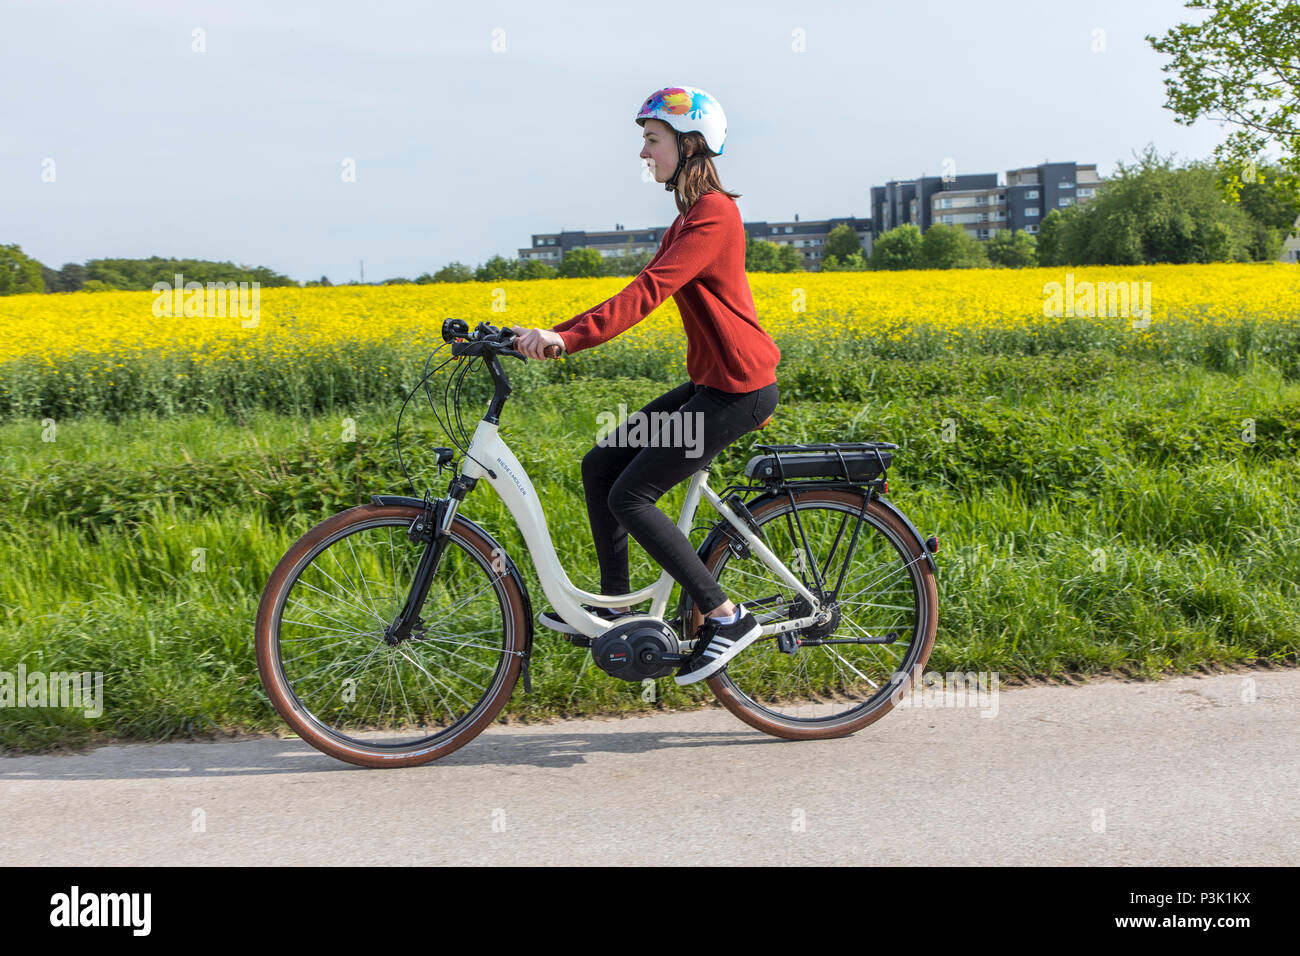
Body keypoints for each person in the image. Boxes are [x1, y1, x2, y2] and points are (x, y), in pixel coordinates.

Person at [511, 85, 780, 686]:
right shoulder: (689, 216)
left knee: (630, 495)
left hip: (738, 392)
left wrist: (563, 339)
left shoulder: (713, 215)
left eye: (651, 139)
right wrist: (533, 332)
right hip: (713, 386)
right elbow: (644, 285)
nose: (642, 152)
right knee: (601, 465)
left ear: (690, 145)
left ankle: (726, 615)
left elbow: (646, 293)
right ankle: (619, 613)